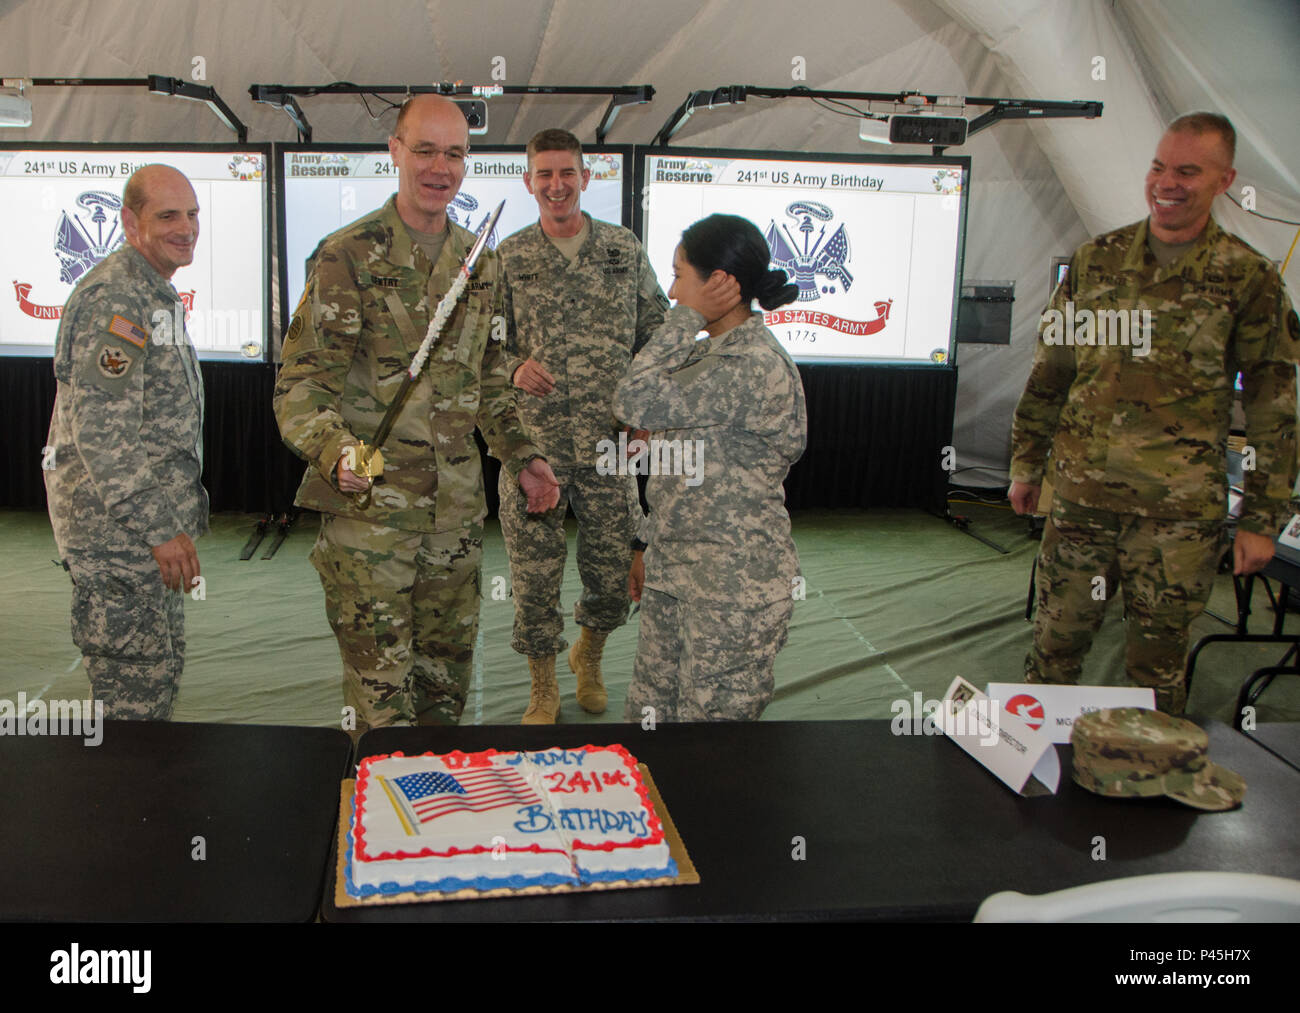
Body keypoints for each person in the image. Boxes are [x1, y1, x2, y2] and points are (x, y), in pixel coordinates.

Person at [274, 95, 560, 735]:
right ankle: (374, 822)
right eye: (425, 150)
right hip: (371, 523)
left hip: (455, 525)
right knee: (381, 708)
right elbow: (302, 383)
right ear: (395, 152)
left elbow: (489, 376)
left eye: (454, 153)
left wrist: (523, 456)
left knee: (443, 697)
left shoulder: (481, 260)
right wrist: (334, 451)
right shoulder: (346, 255)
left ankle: (431, 830)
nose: (440, 167)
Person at [1009, 112, 1300, 714]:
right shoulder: (1097, 261)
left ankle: (1144, 790)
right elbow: (1052, 373)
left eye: (1188, 172)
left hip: (1176, 522)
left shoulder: (1248, 280)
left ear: (1225, 180)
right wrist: (1026, 465)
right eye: (1159, 167)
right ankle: (1031, 783)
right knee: (1052, 652)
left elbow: (1275, 407)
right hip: (1082, 505)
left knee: (1155, 671)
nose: (1166, 183)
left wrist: (1262, 519)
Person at [497, 128, 669, 724]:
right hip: (534, 450)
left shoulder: (623, 250)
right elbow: (479, 346)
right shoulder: (510, 258)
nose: (556, 185)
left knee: (609, 570)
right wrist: (513, 365)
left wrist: (644, 417)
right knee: (534, 579)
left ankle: (588, 657)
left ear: (585, 177)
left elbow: (657, 337)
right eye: (543, 174)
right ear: (529, 182)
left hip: (608, 447)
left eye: (566, 172)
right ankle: (542, 686)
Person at [612, 214, 807, 721]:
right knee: (649, 725)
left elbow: (631, 399)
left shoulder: (751, 365)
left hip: (730, 590)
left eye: (680, 276)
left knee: (712, 750)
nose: (673, 291)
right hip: (675, 572)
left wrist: (682, 321)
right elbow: (675, 470)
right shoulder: (706, 357)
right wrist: (644, 545)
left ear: (719, 282)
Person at [44, 164, 208, 719]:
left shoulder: (150, 290)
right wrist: (160, 530)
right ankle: (123, 805)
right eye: (168, 215)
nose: (185, 227)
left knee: (157, 684)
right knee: (132, 709)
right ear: (130, 222)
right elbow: (102, 433)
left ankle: (146, 802)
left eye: (192, 214)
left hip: (144, 533)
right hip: (120, 537)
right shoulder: (117, 297)